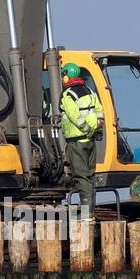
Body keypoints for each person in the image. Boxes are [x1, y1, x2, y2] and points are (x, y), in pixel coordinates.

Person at [59, 62, 103, 211]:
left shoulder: (68, 95)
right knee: (90, 176)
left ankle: (86, 213)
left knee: (81, 177)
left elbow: (75, 116)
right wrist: (95, 128)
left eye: (63, 75)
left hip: (77, 141)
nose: (62, 78)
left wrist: (86, 129)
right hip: (90, 140)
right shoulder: (89, 91)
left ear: (68, 76)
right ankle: (91, 210)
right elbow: (99, 111)